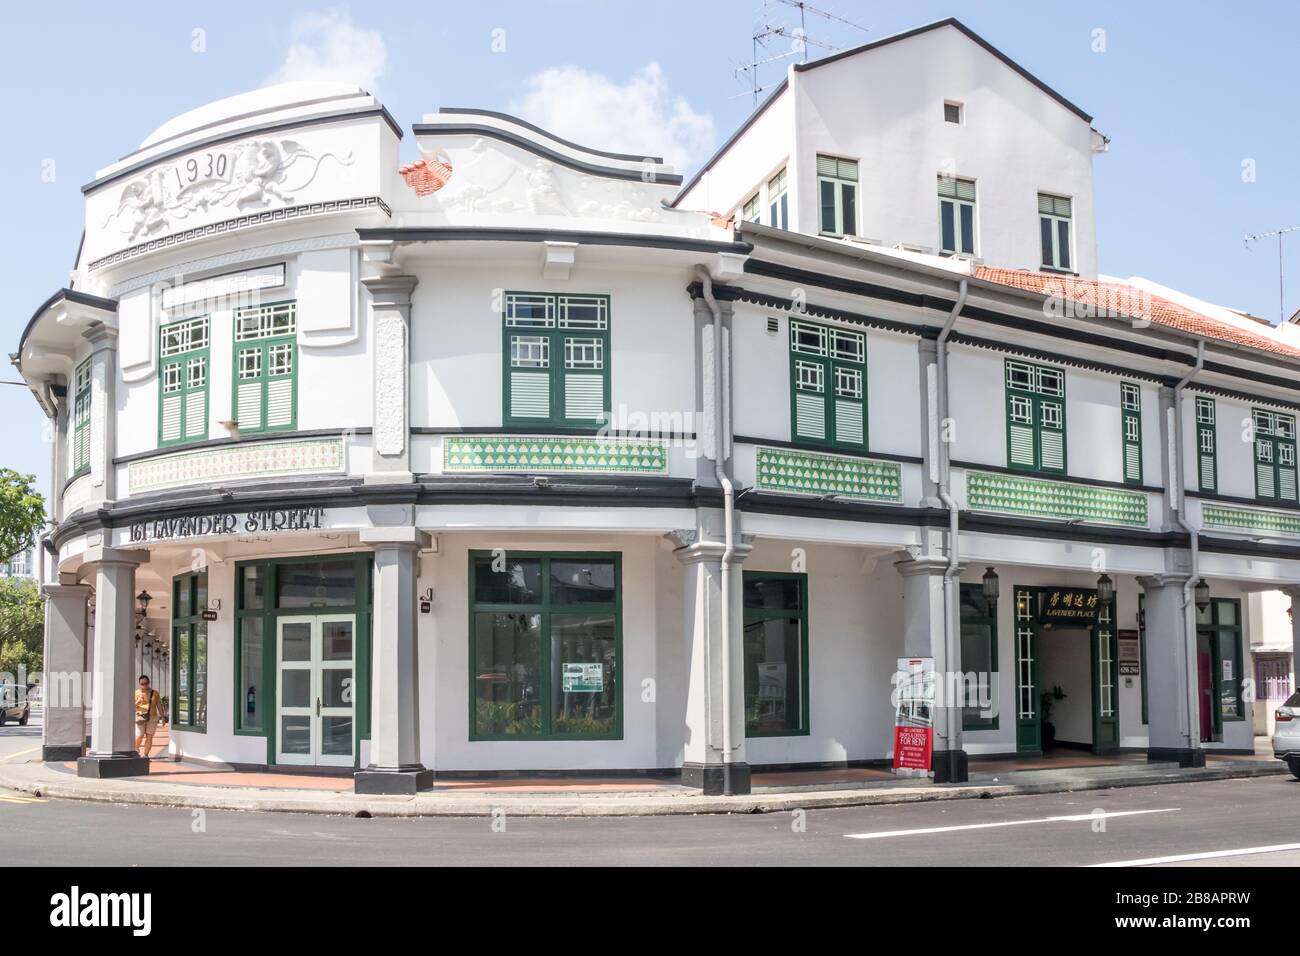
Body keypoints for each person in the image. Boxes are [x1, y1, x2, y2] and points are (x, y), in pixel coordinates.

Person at [134, 675, 161, 759]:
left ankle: (146, 755)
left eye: (146, 683)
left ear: (149, 683)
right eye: (142, 684)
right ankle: (136, 748)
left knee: (149, 736)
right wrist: (138, 700)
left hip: (152, 717)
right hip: (140, 717)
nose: (144, 685)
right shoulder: (136, 693)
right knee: (140, 735)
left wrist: (163, 717)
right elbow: (131, 706)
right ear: (139, 684)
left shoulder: (155, 693)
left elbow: (159, 705)